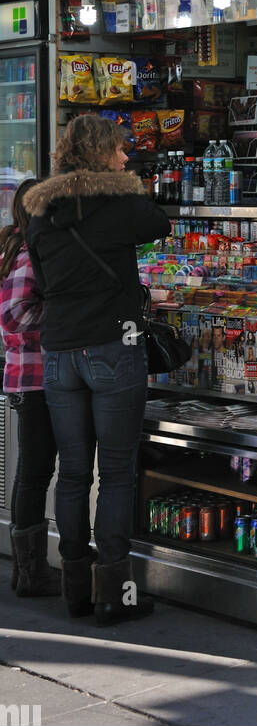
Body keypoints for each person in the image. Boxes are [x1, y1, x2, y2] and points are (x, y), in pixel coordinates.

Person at [24, 114, 170, 625]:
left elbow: (41, 279)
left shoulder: (38, 207)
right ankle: (114, 594)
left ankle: (73, 591)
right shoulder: (119, 203)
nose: (127, 157)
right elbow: (159, 223)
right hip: (113, 346)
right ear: (101, 153)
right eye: (120, 150)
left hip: (60, 352)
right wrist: (126, 188)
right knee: (115, 474)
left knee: (71, 475)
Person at [0, 179, 60, 598]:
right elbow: (14, 317)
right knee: (35, 473)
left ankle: (27, 571)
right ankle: (32, 572)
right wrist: (65, 310)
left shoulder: (19, 246)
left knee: (32, 473)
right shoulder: (27, 253)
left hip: (29, 377)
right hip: (33, 378)